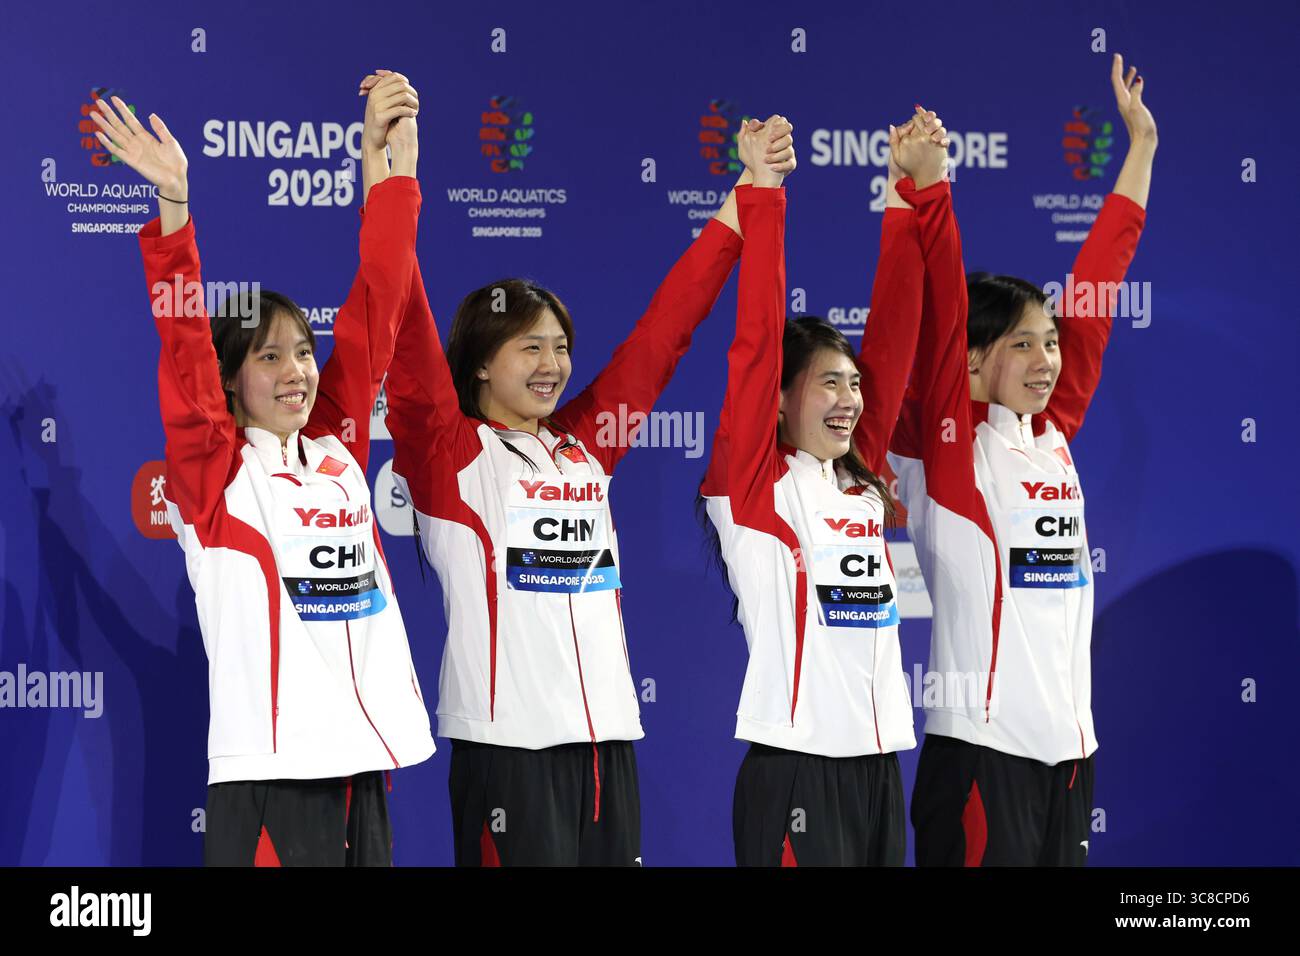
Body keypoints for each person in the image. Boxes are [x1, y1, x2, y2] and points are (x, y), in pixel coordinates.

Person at [369, 73, 794, 864]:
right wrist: (393, 178)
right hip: (507, 755)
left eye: (561, 345)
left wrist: (751, 190)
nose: (552, 363)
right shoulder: (449, 455)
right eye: (528, 345)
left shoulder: (586, 444)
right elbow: (401, 317)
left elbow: (667, 331)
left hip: (607, 750)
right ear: (479, 368)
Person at [92, 71, 435, 866]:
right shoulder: (217, 473)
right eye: (270, 355)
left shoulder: (338, 451)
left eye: (304, 351)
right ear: (231, 377)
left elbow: (379, 299)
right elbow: (182, 349)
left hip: (362, 772)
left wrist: (395, 170)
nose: (298, 370)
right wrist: (175, 208)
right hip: (271, 782)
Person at [890, 54, 1157, 866]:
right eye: (1023, 346)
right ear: (970, 364)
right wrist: (925, 193)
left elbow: (1098, 285)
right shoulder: (945, 447)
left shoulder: (1054, 432)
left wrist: (1140, 147)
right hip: (979, 753)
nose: (1048, 360)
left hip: (1070, 757)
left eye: (1051, 344)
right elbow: (928, 310)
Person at [700, 109, 951, 865]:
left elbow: (898, 336)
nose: (848, 398)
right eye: (826, 385)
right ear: (779, 398)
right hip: (795, 767)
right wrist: (766, 195)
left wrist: (910, 195)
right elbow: (756, 340)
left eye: (852, 384)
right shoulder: (753, 484)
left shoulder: (859, 477)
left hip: (878, 766)